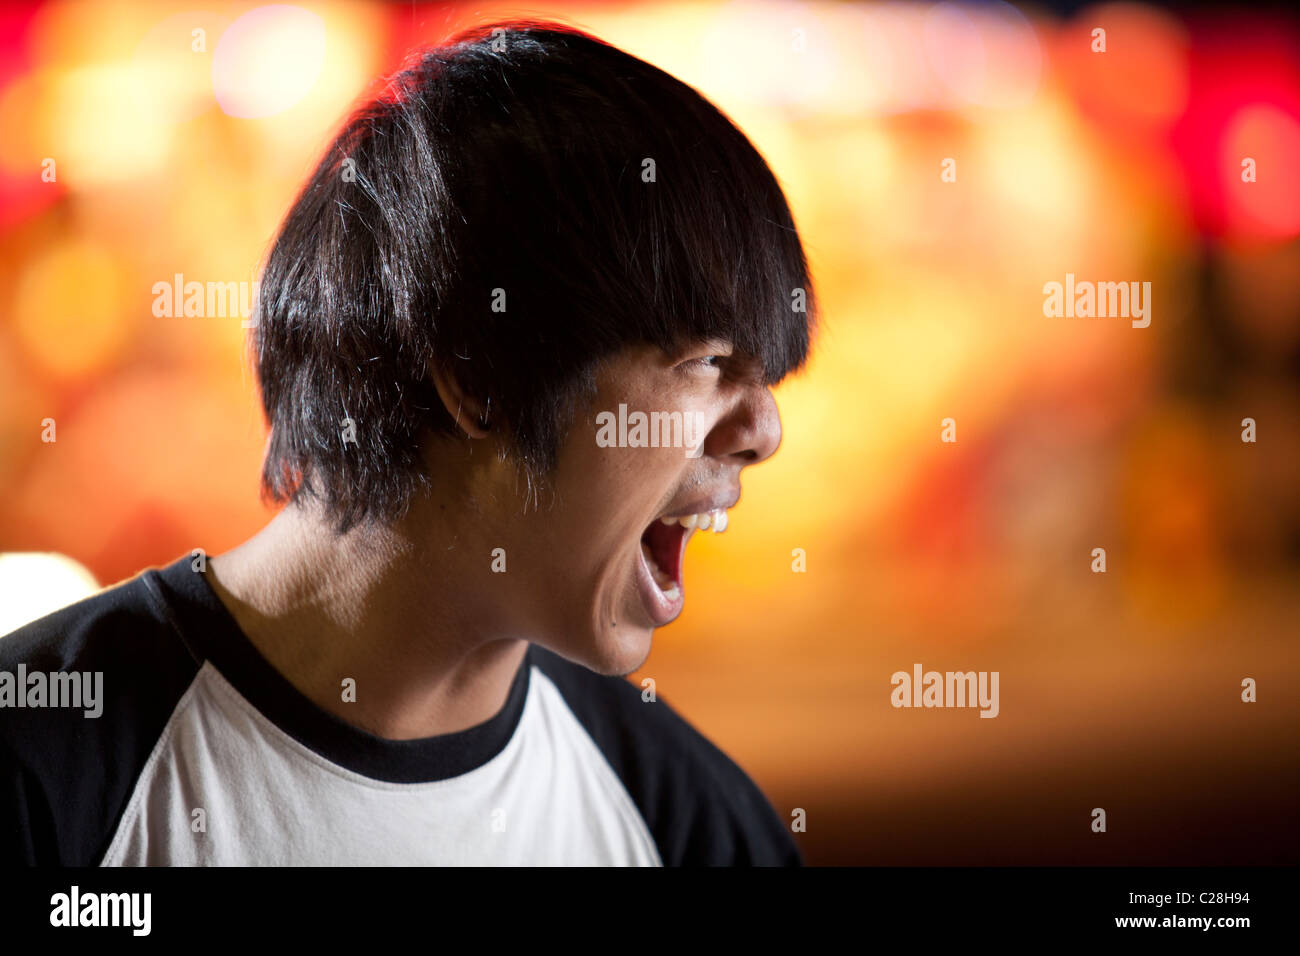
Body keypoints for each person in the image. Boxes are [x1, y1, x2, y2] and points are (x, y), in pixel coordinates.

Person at [0, 19, 816, 865]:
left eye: (766, 379)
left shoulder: (679, 815)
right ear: (476, 376)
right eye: (708, 362)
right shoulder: (47, 771)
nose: (764, 431)